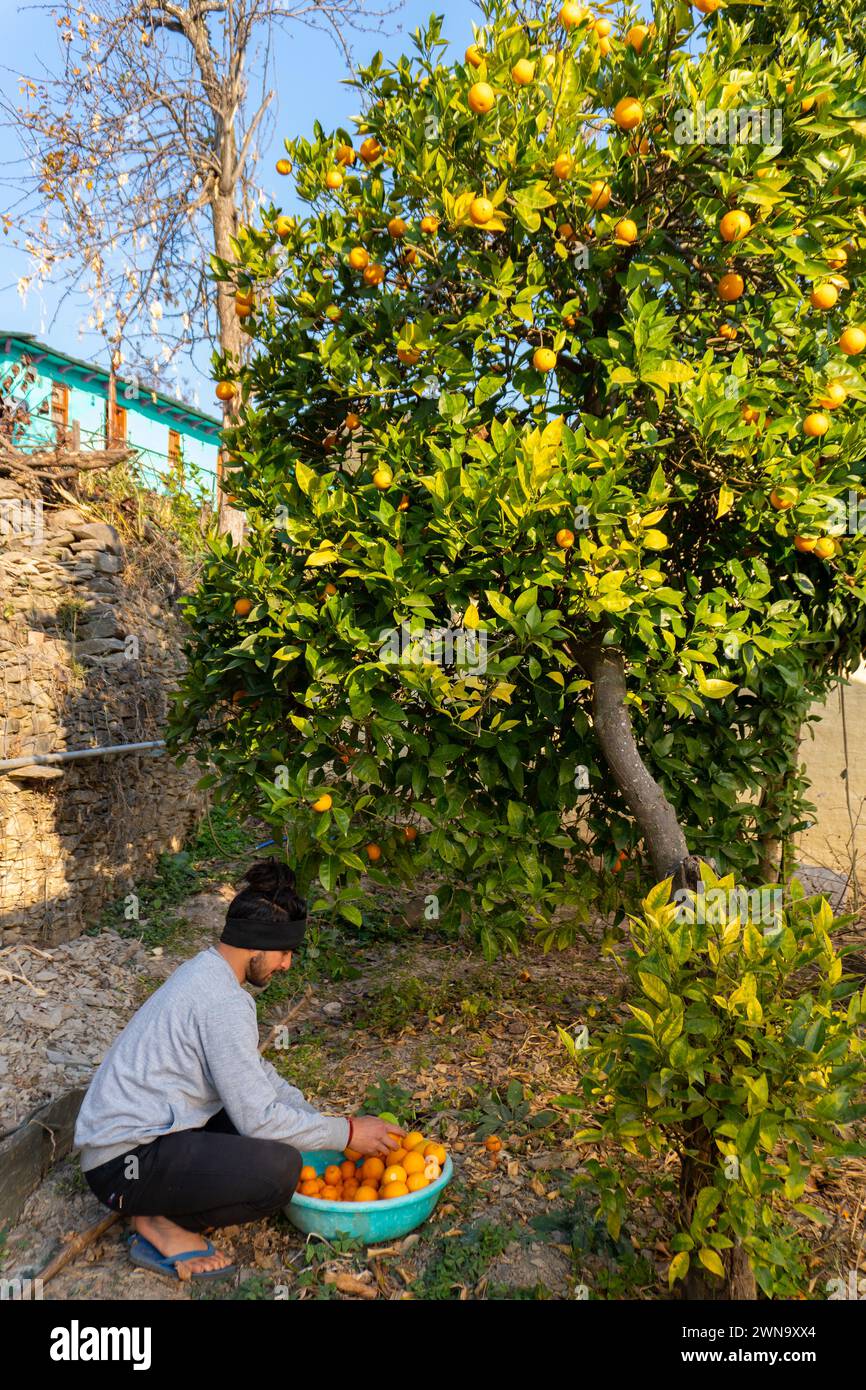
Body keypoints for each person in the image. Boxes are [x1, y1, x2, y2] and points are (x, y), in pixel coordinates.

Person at [74, 860, 401, 1280]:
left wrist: (316, 1119)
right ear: (256, 947)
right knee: (277, 1171)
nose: (286, 965)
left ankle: (158, 1204)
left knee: (282, 1136)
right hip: (123, 1164)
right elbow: (259, 1117)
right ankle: (158, 1222)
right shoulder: (224, 1003)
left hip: (150, 1137)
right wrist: (349, 1132)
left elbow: (253, 1071)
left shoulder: (207, 973)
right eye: (284, 953)